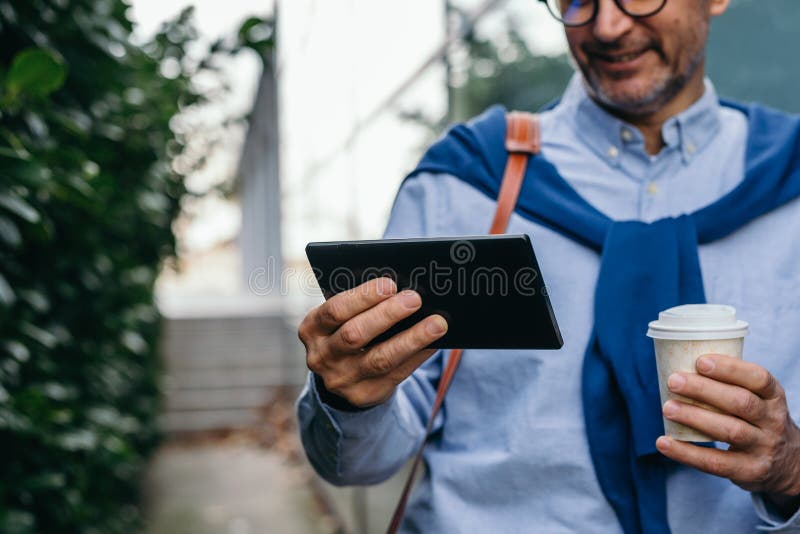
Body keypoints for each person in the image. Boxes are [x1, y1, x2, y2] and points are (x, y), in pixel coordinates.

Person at [295, 0, 800, 531]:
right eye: (579, 0)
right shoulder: (467, 184)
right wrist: (346, 397)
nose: (607, 26)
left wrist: (792, 467)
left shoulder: (790, 185)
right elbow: (358, 464)